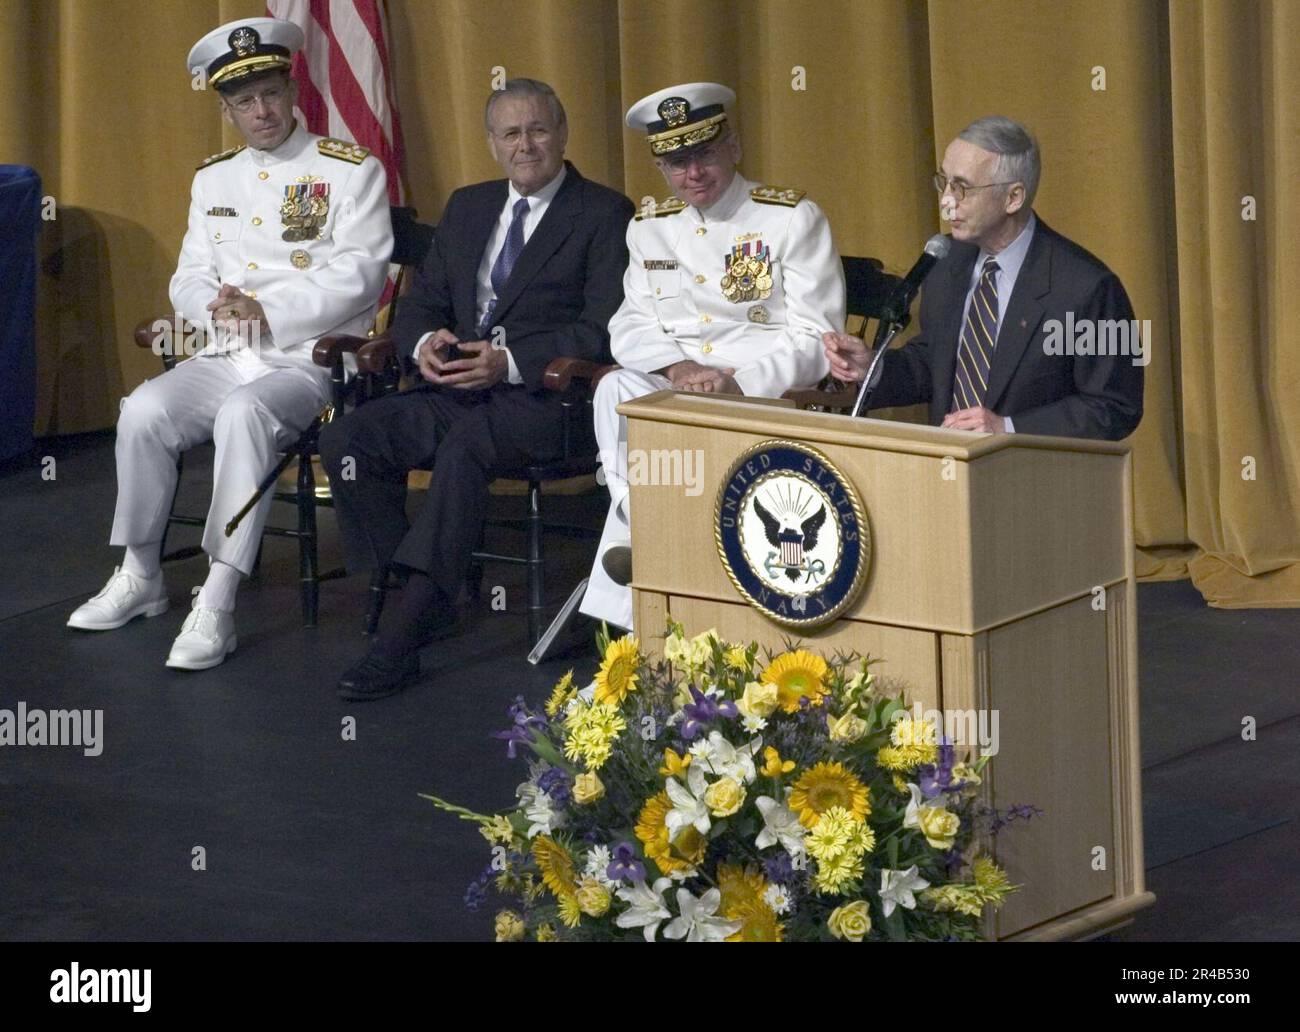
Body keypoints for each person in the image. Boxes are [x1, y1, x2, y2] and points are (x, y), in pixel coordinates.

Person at [67, 17, 392, 670]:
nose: (261, 111)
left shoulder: (350, 170)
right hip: (227, 351)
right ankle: (140, 574)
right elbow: (188, 275)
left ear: (291, 90)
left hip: (310, 360)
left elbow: (361, 274)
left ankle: (216, 599)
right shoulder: (213, 179)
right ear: (226, 109)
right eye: (244, 101)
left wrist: (267, 311)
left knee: (244, 414)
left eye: (270, 93)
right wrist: (215, 310)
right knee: (143, 409)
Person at [318, 78, 634, 700]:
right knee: (351, 439)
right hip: (456, 387)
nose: (525, 145)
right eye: (511, 133)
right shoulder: (468, 205)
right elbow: (421, 303)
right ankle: (418, 589)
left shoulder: (603, 212)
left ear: (563, 134)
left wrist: (509, 362)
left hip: (549, 399)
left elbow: (603, 328)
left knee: (464, 448)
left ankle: (403, 634)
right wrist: (422, 342)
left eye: (537, 130)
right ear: (492, 143)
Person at [578, 82, 845, 633]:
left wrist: (739, 383)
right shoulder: (649, 227)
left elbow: (815, 336)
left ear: (734, 148)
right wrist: (677, 369)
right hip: (680, 390)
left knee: (653, 432)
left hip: (761, 397)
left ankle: (634, 604)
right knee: (614, 388)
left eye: (704, 154)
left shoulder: (789, 217)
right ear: (661, 167)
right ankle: (638, 515)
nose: (693, 173)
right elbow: (629, 323)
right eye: (677, 163)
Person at [823, 115, 1143, 440]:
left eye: (962, 188)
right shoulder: (945, 261)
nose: (946, 201)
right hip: (948, 463)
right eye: (944, 182)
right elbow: (935, 362)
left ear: (1013, 198)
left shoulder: (1091, 286)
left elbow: (1116, 406)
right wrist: (874, 368)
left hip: (1035, 467)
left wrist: (1007, 428)